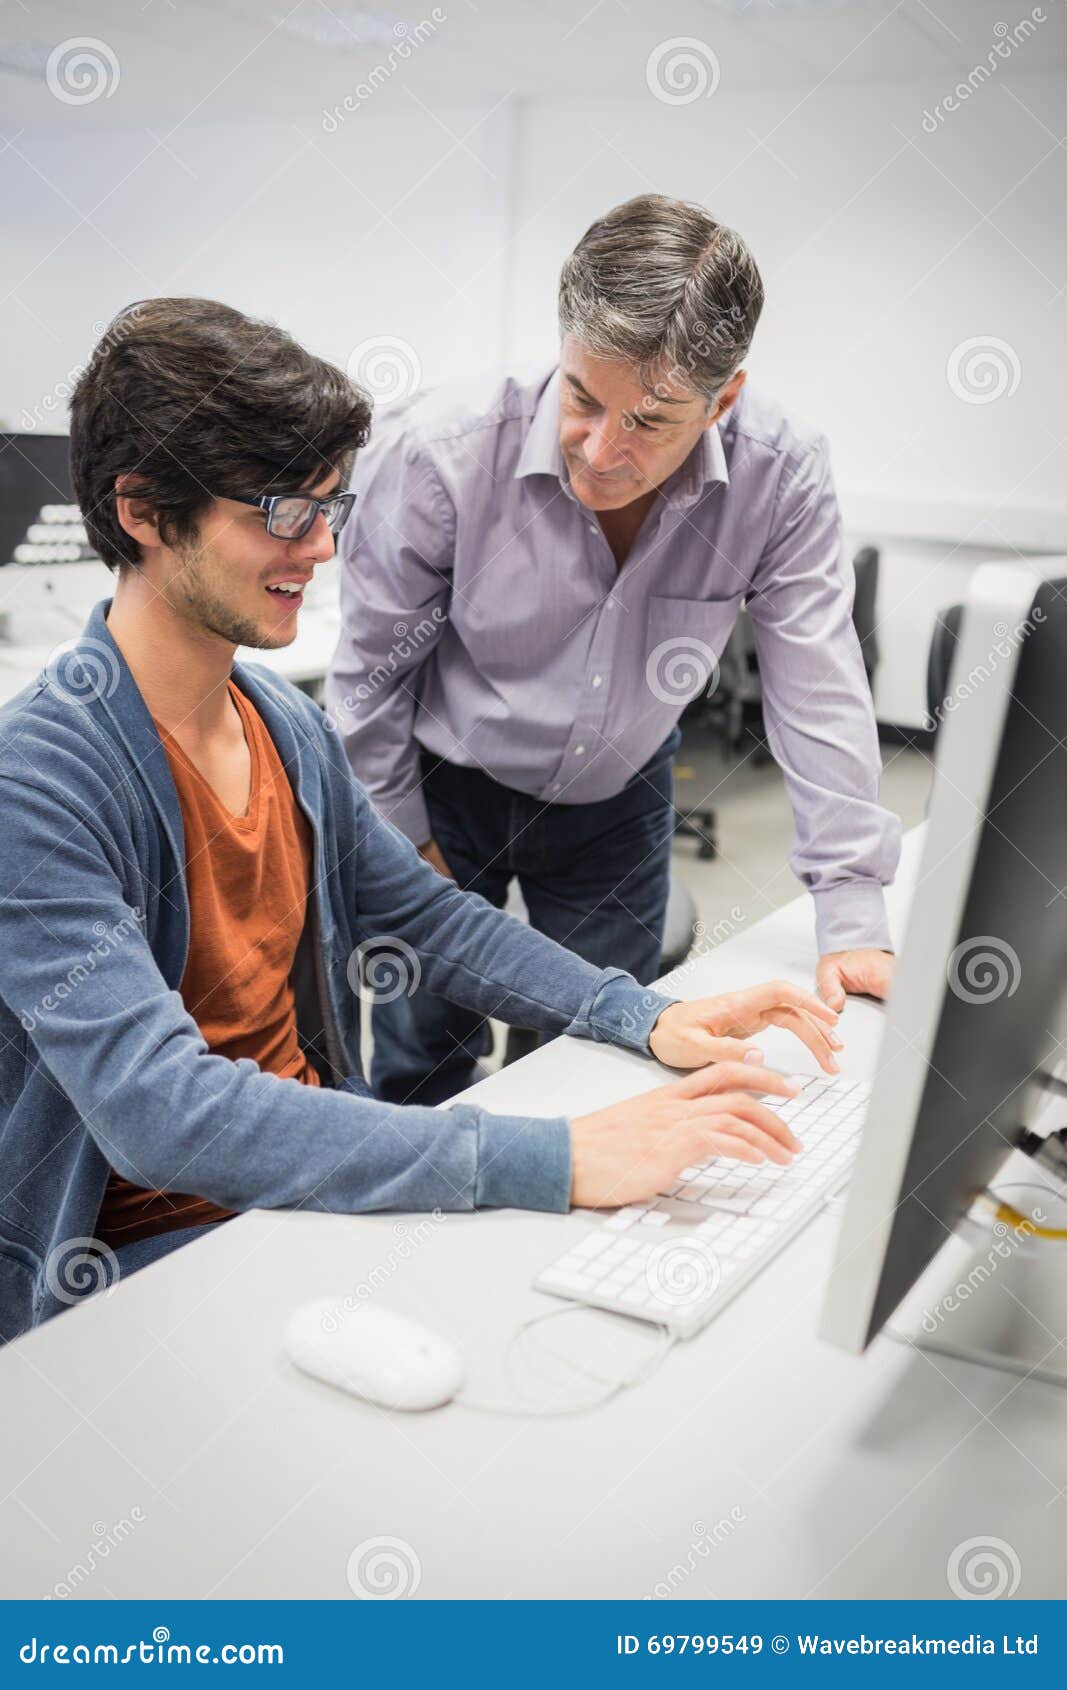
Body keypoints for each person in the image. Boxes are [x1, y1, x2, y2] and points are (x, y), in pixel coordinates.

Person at [0, 298, 842, 1344]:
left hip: (306, 1199)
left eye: (327, 507)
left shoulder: (278, 724)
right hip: (138, 1276)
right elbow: (162, 1111)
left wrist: (640, 1014)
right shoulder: (37, 775)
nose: (319, 549)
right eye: (277, 510)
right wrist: (557, 1156)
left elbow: (430, 920)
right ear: (141, 510)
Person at [327, 194, 901, 1109]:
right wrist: (405, 852)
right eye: (583, 398)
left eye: (650, 421)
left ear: (726, 399)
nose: (599, 450)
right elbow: (366, 680)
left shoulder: (778, 473)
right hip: (443, 784)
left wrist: (853, 916)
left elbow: (816, 683)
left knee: (593, 1070)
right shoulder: (440, 452)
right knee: (422, 1057)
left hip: (617, 795)